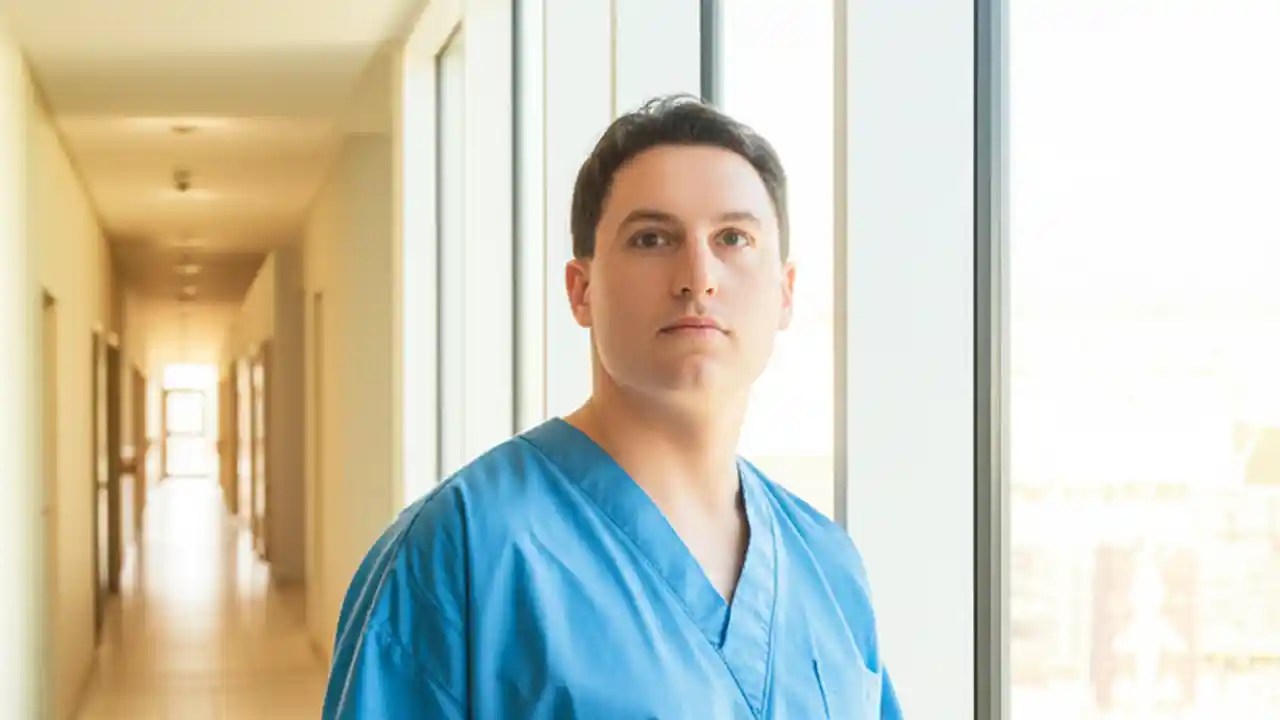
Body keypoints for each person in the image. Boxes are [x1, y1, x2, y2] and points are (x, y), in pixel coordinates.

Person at [322, 94, 902, 719]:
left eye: (734, 238)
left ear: (785, 293)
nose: (697, 277)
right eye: (652, 238)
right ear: (581, 290)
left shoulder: (827, 563)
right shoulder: (460, 550)